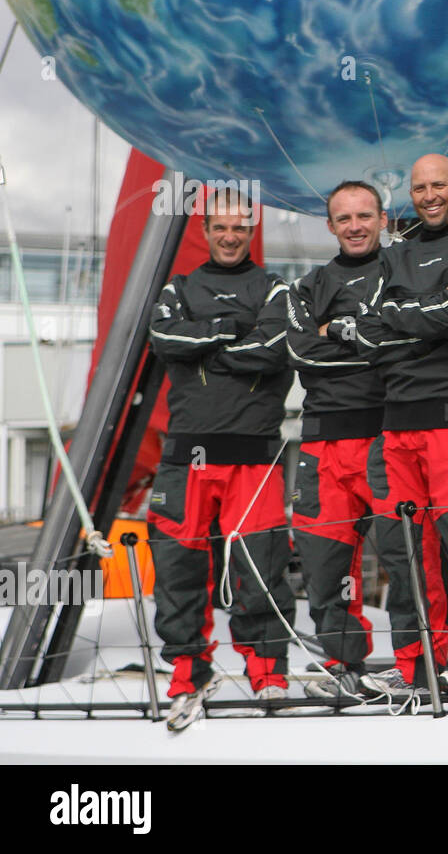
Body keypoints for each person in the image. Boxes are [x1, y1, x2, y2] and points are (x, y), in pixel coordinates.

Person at [353, 154, 448, 696]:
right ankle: (419, 664)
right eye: (419, 187)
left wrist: (410, 317)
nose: (429, 195)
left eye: (439, 185)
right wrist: (424, 318)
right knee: (405, 551)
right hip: (399, 420)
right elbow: (373, 330)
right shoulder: (393, 255)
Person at [146, 189, 295, 731]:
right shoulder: (178, 287)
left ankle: (267, 674)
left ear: (251, 229)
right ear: (206, 231)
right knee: (178, 571)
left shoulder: (276, 288)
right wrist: (231, 330)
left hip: (254, 458)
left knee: (262, 570)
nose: (230, 236)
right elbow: (162, 337)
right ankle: (188, 673)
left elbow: (275, 346)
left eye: (240, 227)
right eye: (220, 228)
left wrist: (203, 341)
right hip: (186, 458)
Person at [285, 180, 397, 700]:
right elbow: (301, 353)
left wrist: (338, 332)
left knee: (410, 557)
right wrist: (366, 338)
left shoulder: (405, 271)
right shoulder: (307, 288)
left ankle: (427, 664)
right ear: (330, 225)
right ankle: (343, 667)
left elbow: (405, 345)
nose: (355, 226)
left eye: (364, 216)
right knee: (326, 567)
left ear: (382, 218)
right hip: (324, 445)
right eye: (344, 218)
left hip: (391, 437)